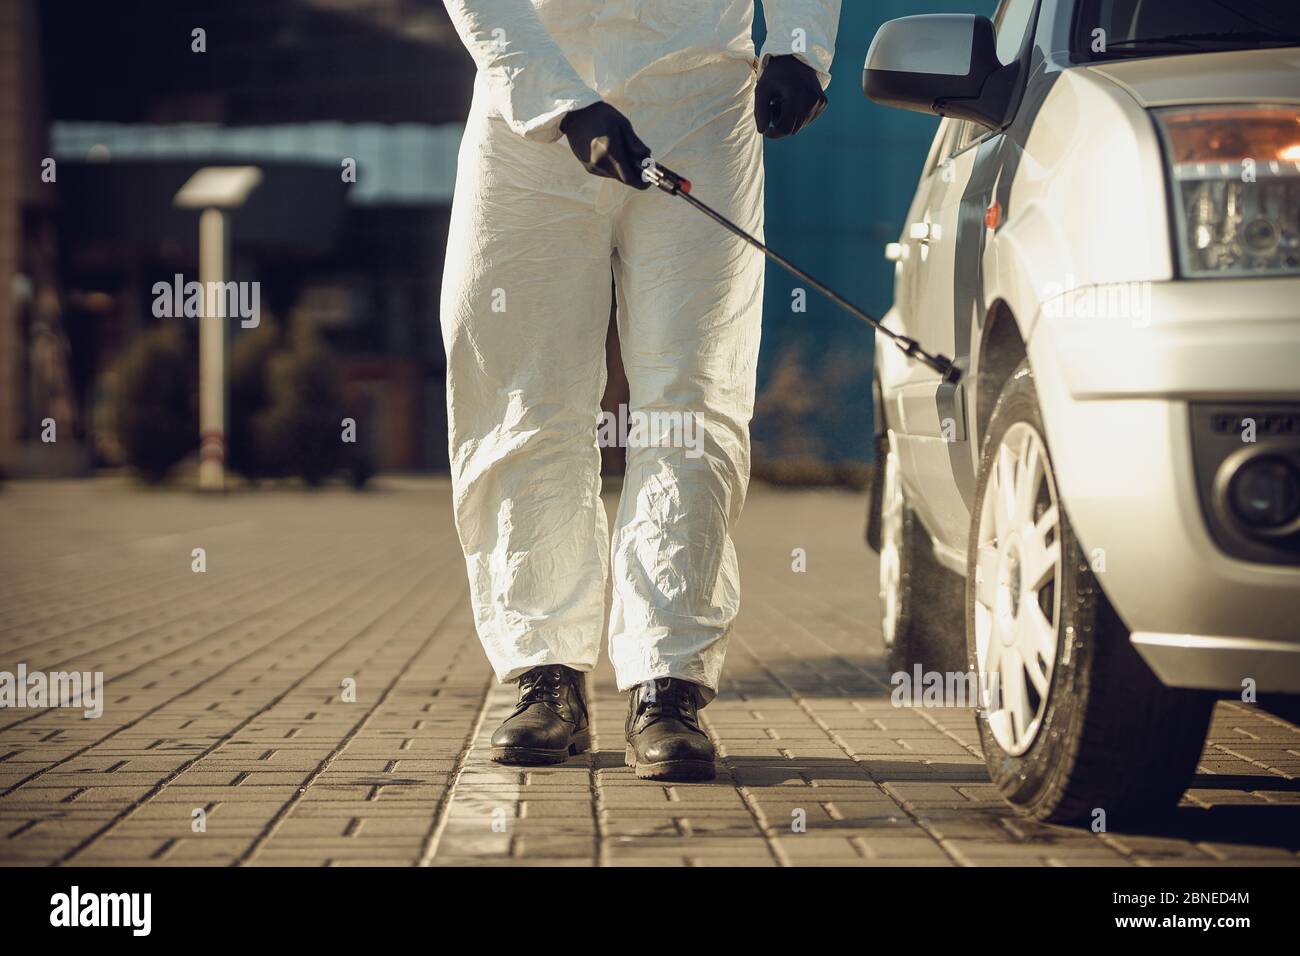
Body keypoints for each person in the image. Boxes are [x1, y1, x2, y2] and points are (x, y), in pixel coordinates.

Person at [441, 0, 840, 781]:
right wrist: (559, 98)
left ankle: (669, 682)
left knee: (691, 399)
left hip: (702, 99)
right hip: (528, 124)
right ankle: (545, 672)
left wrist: (800, 45)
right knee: (527, 396)